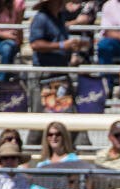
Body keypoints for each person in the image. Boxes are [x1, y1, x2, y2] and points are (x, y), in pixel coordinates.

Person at [28, 0, 89, 144]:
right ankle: (32, 150)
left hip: (60, 73)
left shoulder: (59, 18)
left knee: (71, 114)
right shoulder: (41, 18)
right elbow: (35, 44)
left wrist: (71, 48)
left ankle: (79, 146)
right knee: (40, 118)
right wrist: (62, 45)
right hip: (45, 75)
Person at [31, 121, 81, 189]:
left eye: (58, 134)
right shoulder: (42, 164)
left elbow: (77, 187)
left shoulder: (74, 160)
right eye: (50, 134)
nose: (54, 137)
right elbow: (34, 187)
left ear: (64, 137)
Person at [64, 1, 99, 66]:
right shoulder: (61, 4)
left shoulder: (89, 4)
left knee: (74, 60)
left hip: (83, 43)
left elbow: (83, 20)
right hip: (64, 41)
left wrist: (65, 24)